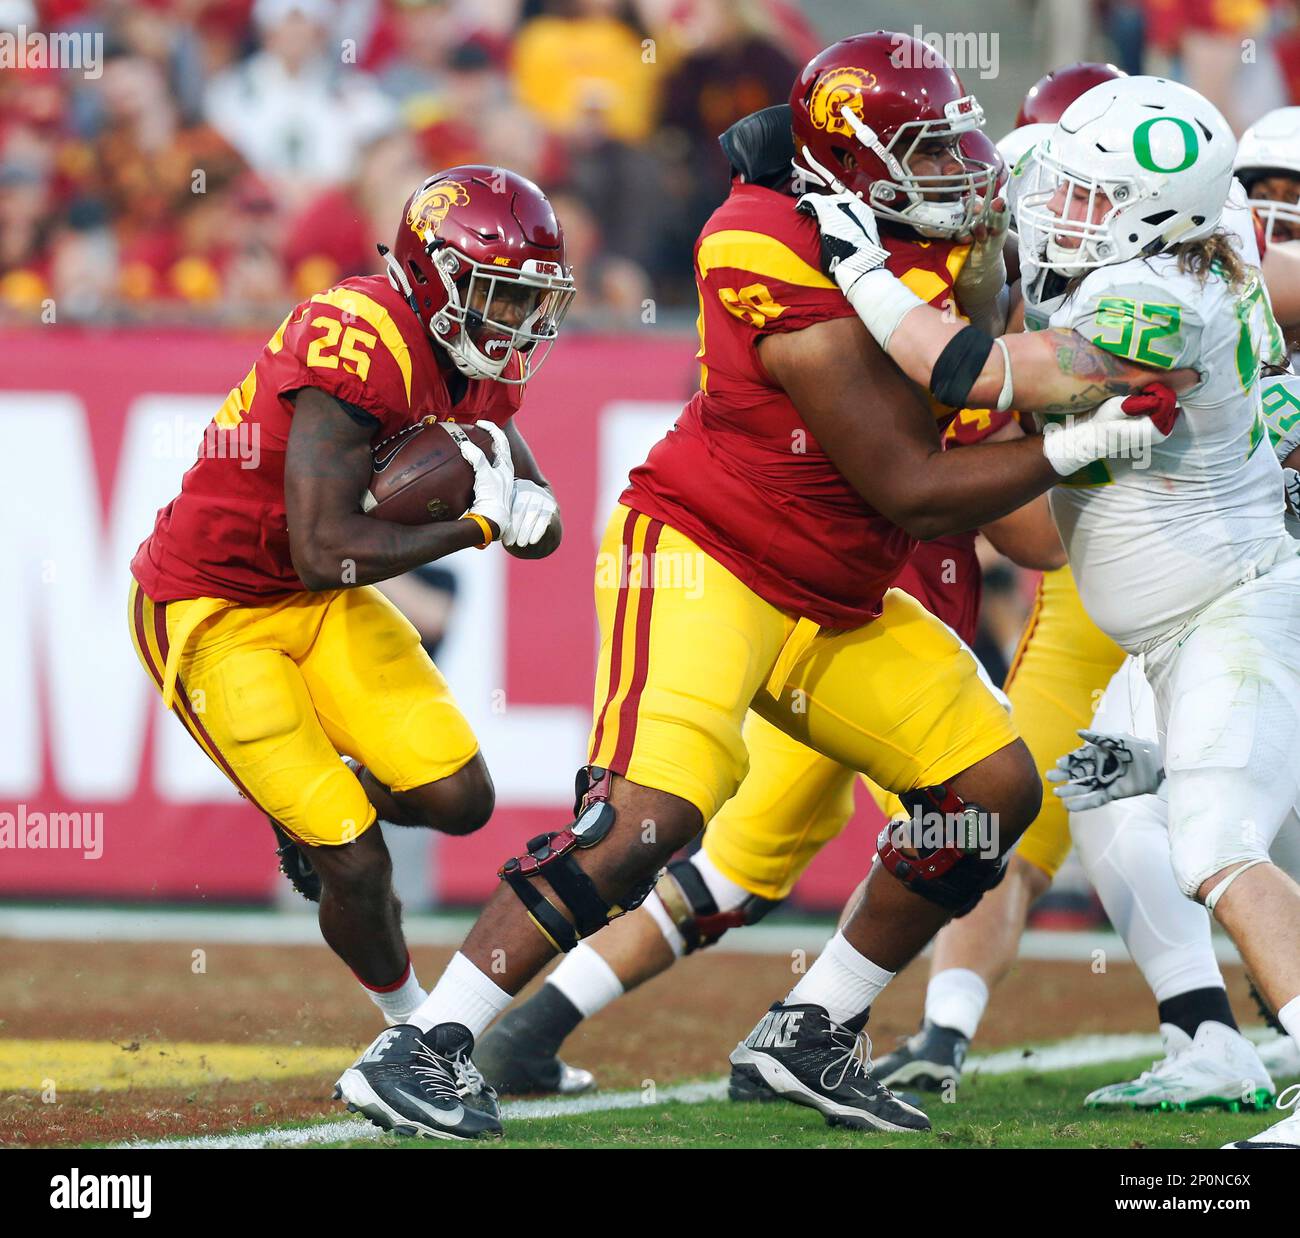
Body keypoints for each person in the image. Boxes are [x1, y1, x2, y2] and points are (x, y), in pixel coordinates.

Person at [335, 32, 1176, 1142]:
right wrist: (1085, 439)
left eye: (948, 147)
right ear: (853, 164)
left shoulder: (940, 235)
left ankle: (811, 1027)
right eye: (919, 154)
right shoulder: (760, 238)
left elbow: (1012, 520)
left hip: (837, 593)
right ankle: (424, 1040)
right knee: (641, 820)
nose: (952, 175)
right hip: (705, 556)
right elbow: (911, 485)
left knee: (989, 789)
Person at [808, 72, 1300, 1150]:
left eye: (1088, 198)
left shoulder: (1168, 299)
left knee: (1217, 837)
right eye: (1067, 183)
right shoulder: (1123, 202)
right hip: (1168, 631)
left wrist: (854, 266)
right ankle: (1205, 1035)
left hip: (1234, 612)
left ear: (1157, 219)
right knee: (1110, 804)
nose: (1055, 208)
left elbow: (967, 367)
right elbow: (1006, 166)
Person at [128, 165, 572, 1044]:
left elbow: (535, 499)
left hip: (318, 600)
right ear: (437, 275)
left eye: (531, 300)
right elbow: (326, 549)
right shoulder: (355, 335)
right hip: (212, 606)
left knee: (459, 799)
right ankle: (408, 1029)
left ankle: (330, 813)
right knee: (358, 863)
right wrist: (481, 527)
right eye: (500, 294)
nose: (518, 321)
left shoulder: (474, 359)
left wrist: (535, 511)